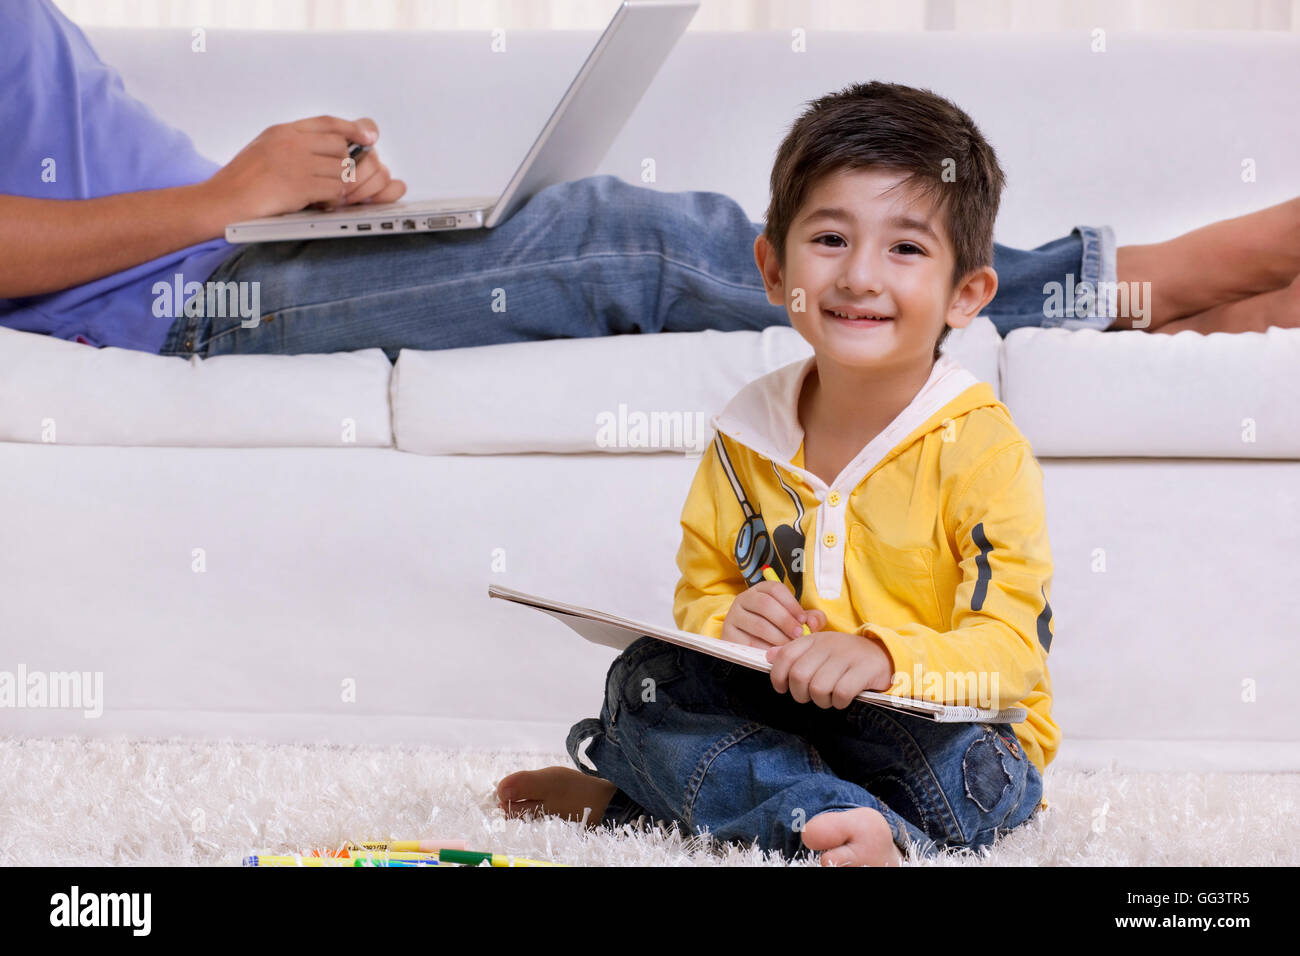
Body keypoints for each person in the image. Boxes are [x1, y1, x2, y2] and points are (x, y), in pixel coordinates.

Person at [2, 0, 1296, 359]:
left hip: (224, 258)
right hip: (178, 309)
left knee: (587, 229)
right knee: (614, 245)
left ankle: (1164, 318)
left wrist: (291, 191)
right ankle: (1136, 283)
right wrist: (228, 196)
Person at [496, 80, 1056, 866]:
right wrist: (729, 621)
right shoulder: (744, 435)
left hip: (948, 744)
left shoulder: (982, 450)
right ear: (771, 268)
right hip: (790, 717)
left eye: (905, 248)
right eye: (830, 240)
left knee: (958, 777)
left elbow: (1010, 652)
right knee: (647, 681)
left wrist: (887, 658)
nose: (861, 275)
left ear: (965, 294)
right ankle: (832, 822)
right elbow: (702, 591)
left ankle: (648, 806)